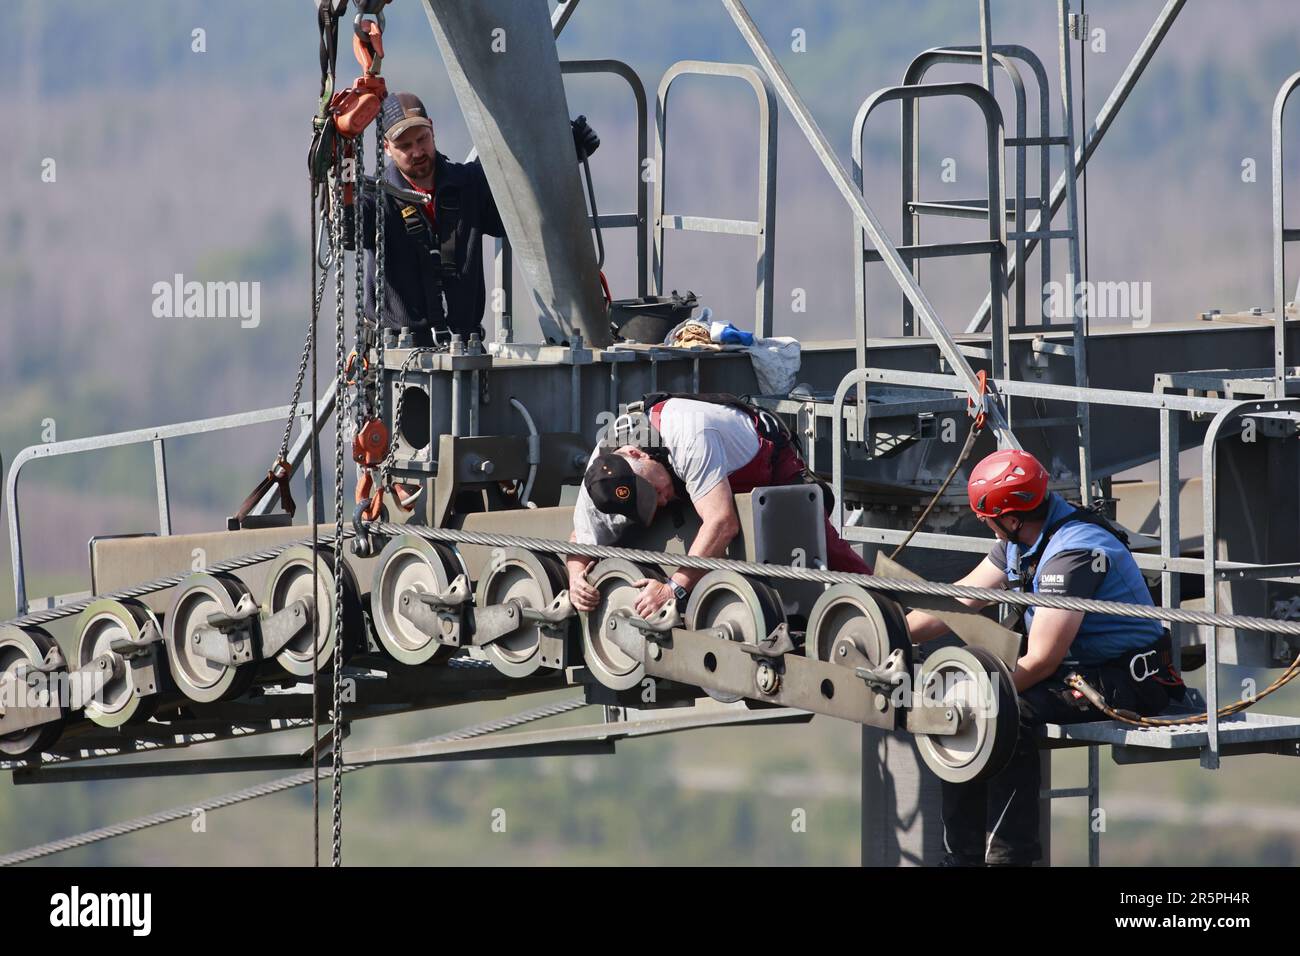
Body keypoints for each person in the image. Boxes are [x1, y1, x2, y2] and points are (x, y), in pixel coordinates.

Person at [905, 449, 1185, 866]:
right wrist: (888, 632)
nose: (986, 526)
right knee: (962, 707)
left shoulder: (1072, 554)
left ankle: (1010, 858)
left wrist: (971, 696)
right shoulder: (1028, 535)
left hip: (1131, 681)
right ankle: (961, 856)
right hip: (1085, 670)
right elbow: (962, 600)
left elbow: (1041, 661)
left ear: (1012, 519)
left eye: (988, 519)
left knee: (1004, 714)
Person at [566, 395, 872, 618]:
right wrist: (576, 577)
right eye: (647, 504)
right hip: (698, 480)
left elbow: (723, 523)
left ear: (638, 453)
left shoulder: (687, 434)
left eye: (654, 492)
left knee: (816, 543)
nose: (660, 501)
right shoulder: (600, 480)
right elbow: (581, 538)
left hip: (765, 465)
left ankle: (884, 604)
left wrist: (672, 589)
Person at [360, 92, 601, 346]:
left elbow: (521, 194)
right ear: (386, 147)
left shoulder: (468, 185)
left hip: (463, 353)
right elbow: (346, 227)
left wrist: (565, 152)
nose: (417, 151)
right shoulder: (376, 200)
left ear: (432, 128)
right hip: (395, 357)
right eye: (405, 146)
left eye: (422, 139)